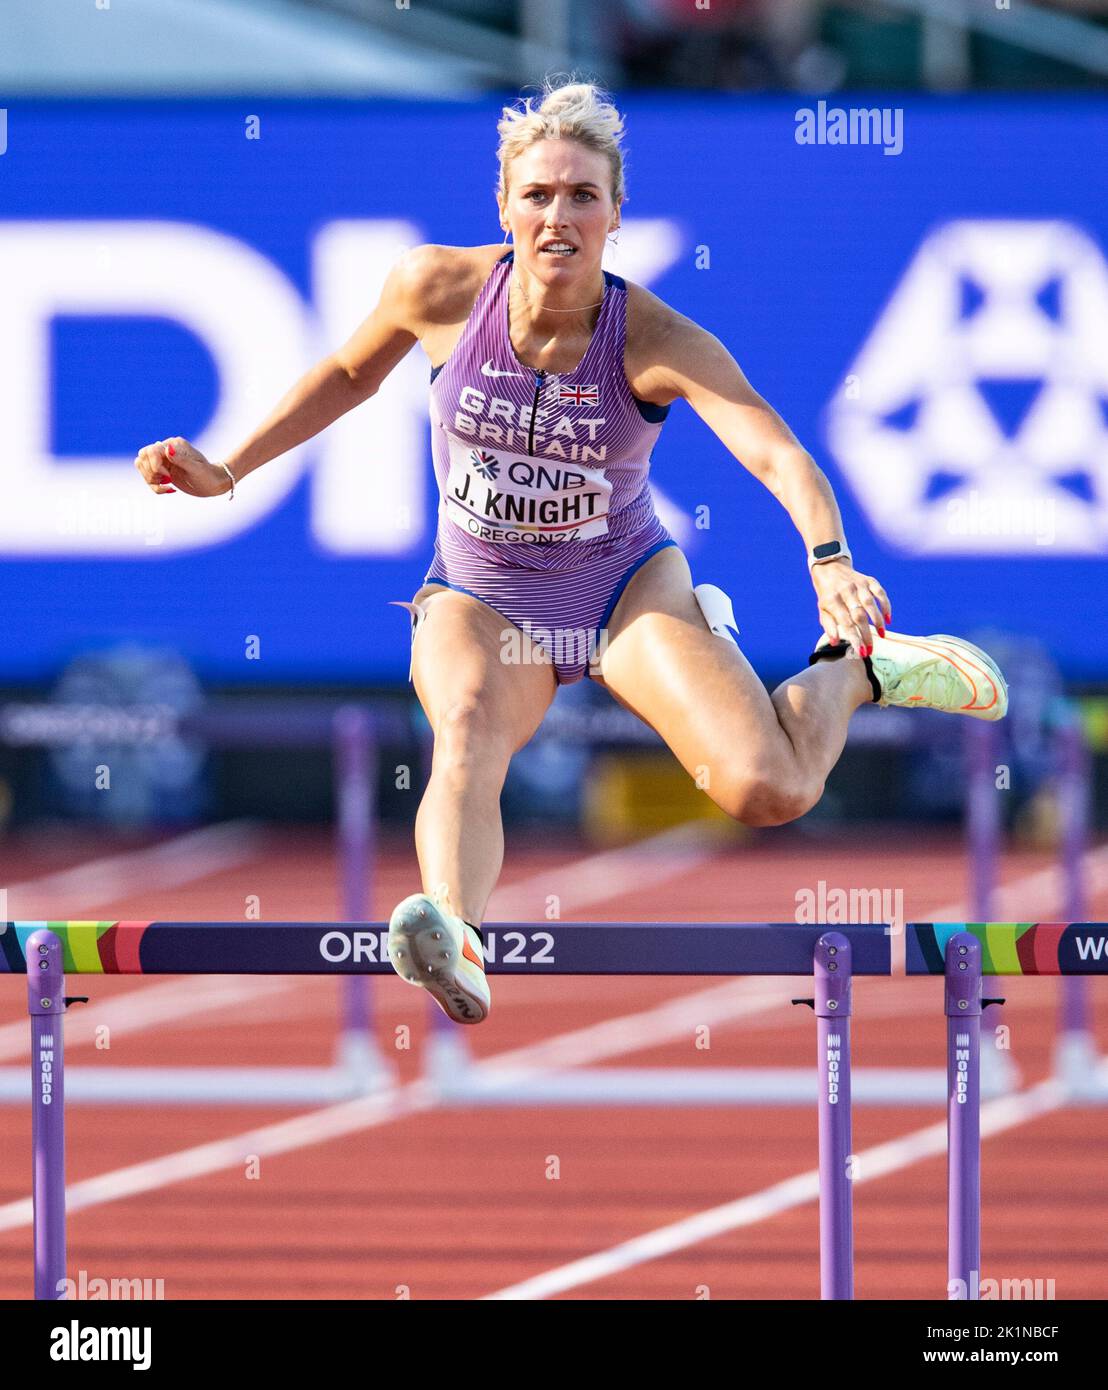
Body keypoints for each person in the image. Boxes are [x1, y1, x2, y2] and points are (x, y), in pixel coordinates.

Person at [134, 77, 1008, 1028]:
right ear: (503, 206)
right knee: (464, 728)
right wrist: (228, 469)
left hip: (621, 588)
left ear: (615, 214)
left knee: (769, 790)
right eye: (539, 195)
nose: (559, 217)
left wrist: (829, 562)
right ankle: (455, 935)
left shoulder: (656, 339)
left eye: (582, 197)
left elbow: (776, 450)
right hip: (480, 592)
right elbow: (345, 375)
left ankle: (858, 674)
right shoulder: (435, 289)